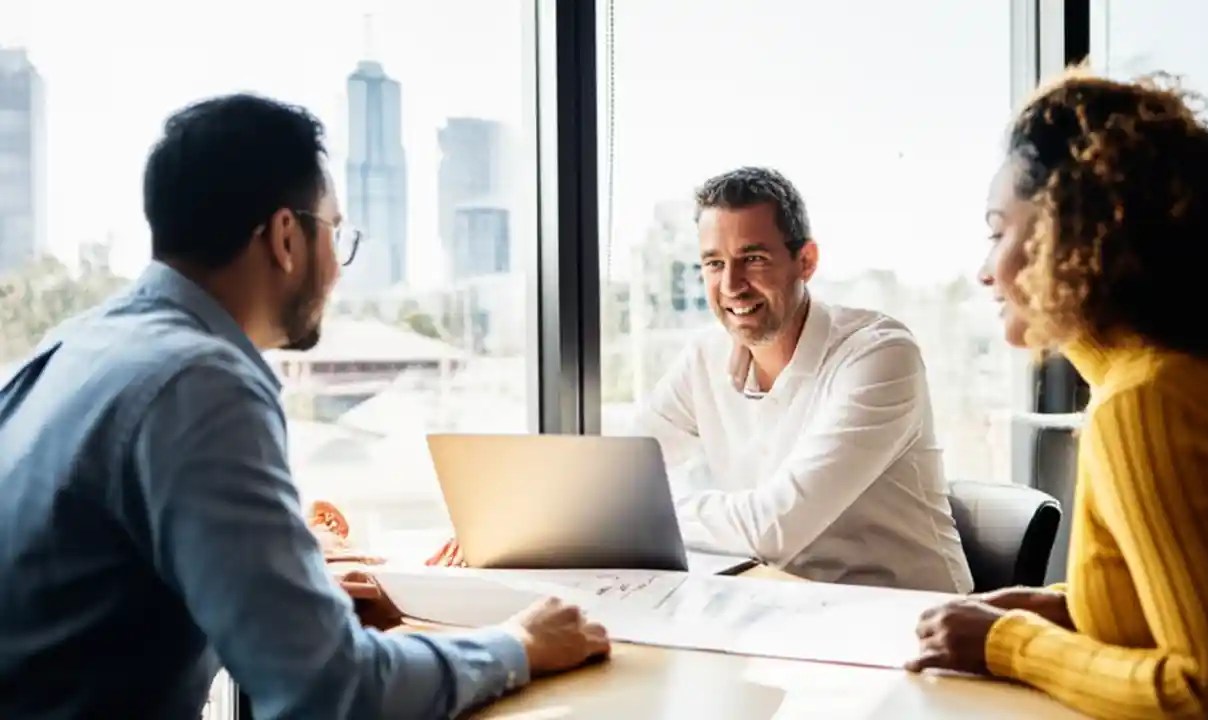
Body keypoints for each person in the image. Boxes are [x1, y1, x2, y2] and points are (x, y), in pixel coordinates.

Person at [0, 94, 609, 719]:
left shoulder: (76, 344)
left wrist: (281, 579)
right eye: (334, 232)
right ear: (286, 236)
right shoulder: (201, 381)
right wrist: (519, 644)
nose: (338, 268)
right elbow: (328, 692)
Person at [906, 70, 1208, 718]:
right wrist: (1063, 609)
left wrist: (1010, 642)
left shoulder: (1145, 405)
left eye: (998, 232)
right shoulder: (1192, 383)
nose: (984, 270)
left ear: (1068, 235)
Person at [632, 166, 972, 591]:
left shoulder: (879, 354)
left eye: (753, 259)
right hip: (778, 603)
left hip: (904, 618)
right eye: (715, 263)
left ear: (805, 262)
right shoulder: (704, 356)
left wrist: (649, 513)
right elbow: (619, 475)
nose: (732, 285)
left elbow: (773, 528)